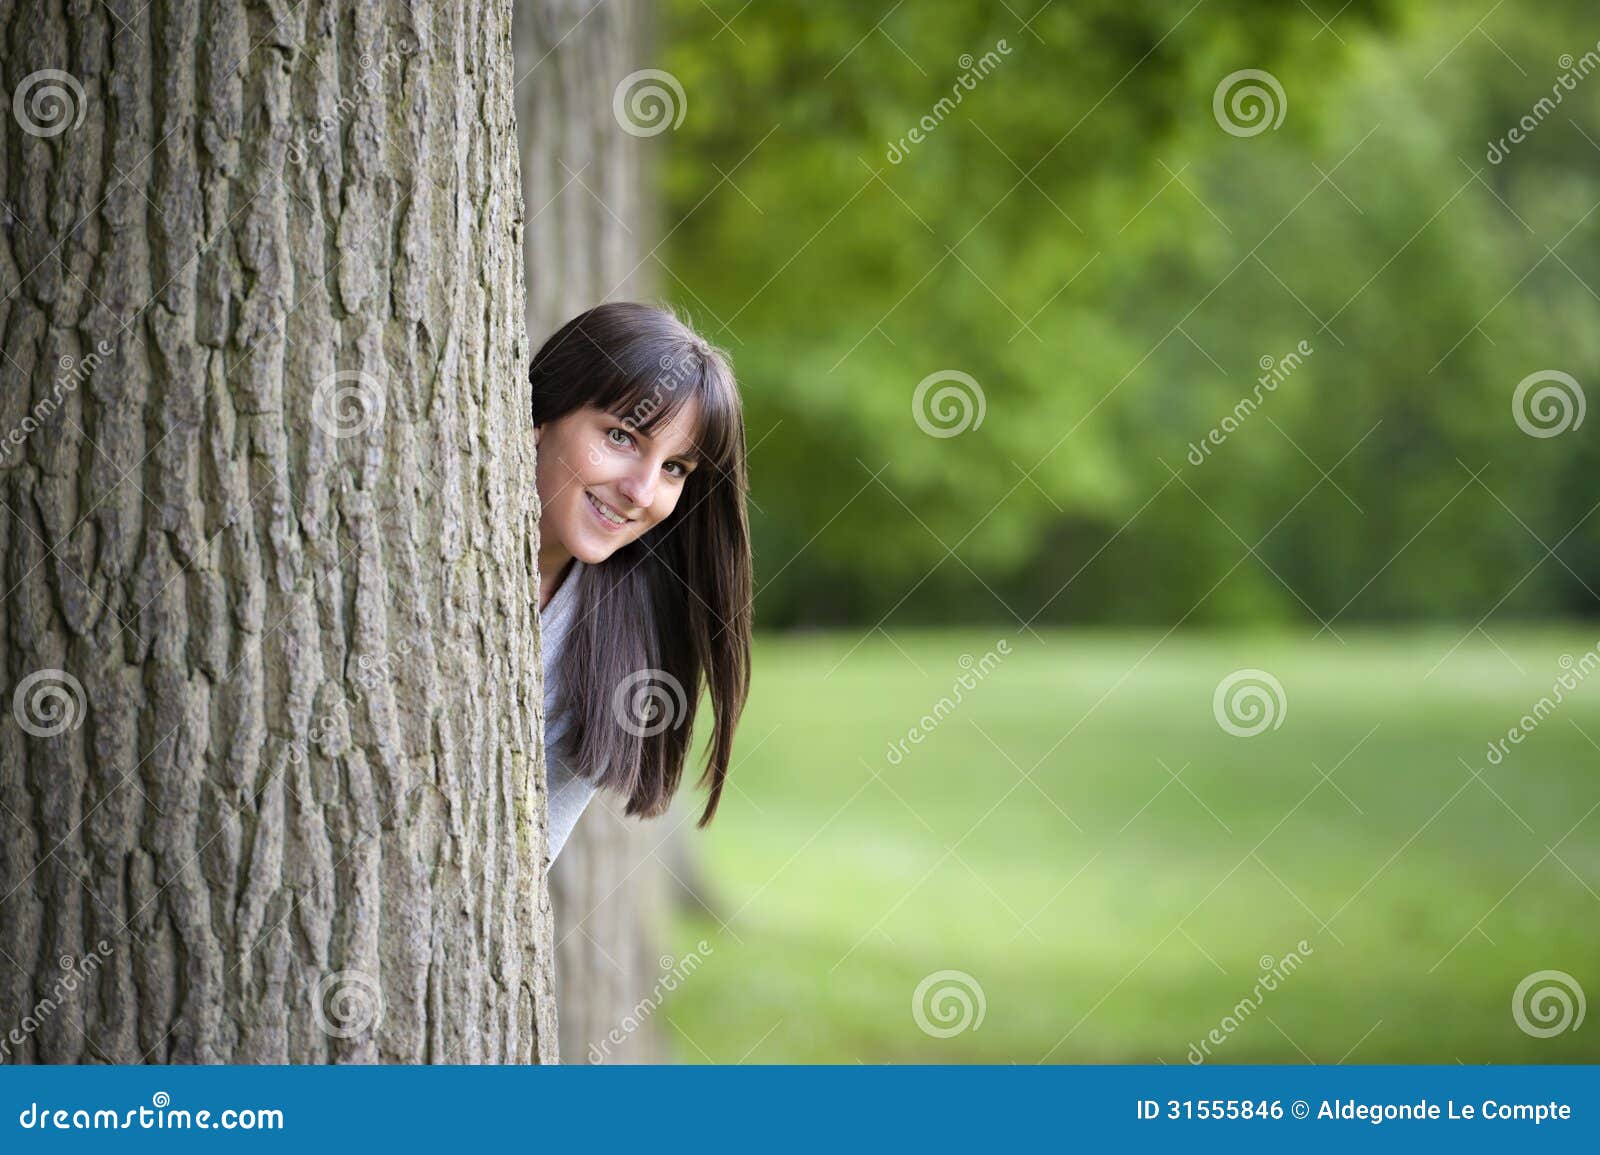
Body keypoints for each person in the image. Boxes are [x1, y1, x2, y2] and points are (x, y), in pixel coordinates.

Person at [530, 301, 752, 862]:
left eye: (675, 468)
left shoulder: (613, 639)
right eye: (623, 437)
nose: (642, 491)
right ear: (541, 416)